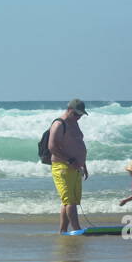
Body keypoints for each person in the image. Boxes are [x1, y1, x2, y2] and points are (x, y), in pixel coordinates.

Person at [48, 99, 89, 233]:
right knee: (69, 201)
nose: (79, 117)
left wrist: (83, 164)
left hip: (76, 167)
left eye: (81, 115)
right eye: (77, 114)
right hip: (62, 167)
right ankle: (77, 229)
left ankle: (63, 230)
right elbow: (52, 147)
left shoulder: (74, 123)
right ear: (69, 109)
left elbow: (78, 144)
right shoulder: (59, 124)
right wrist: (70, 161)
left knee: (71, 201)